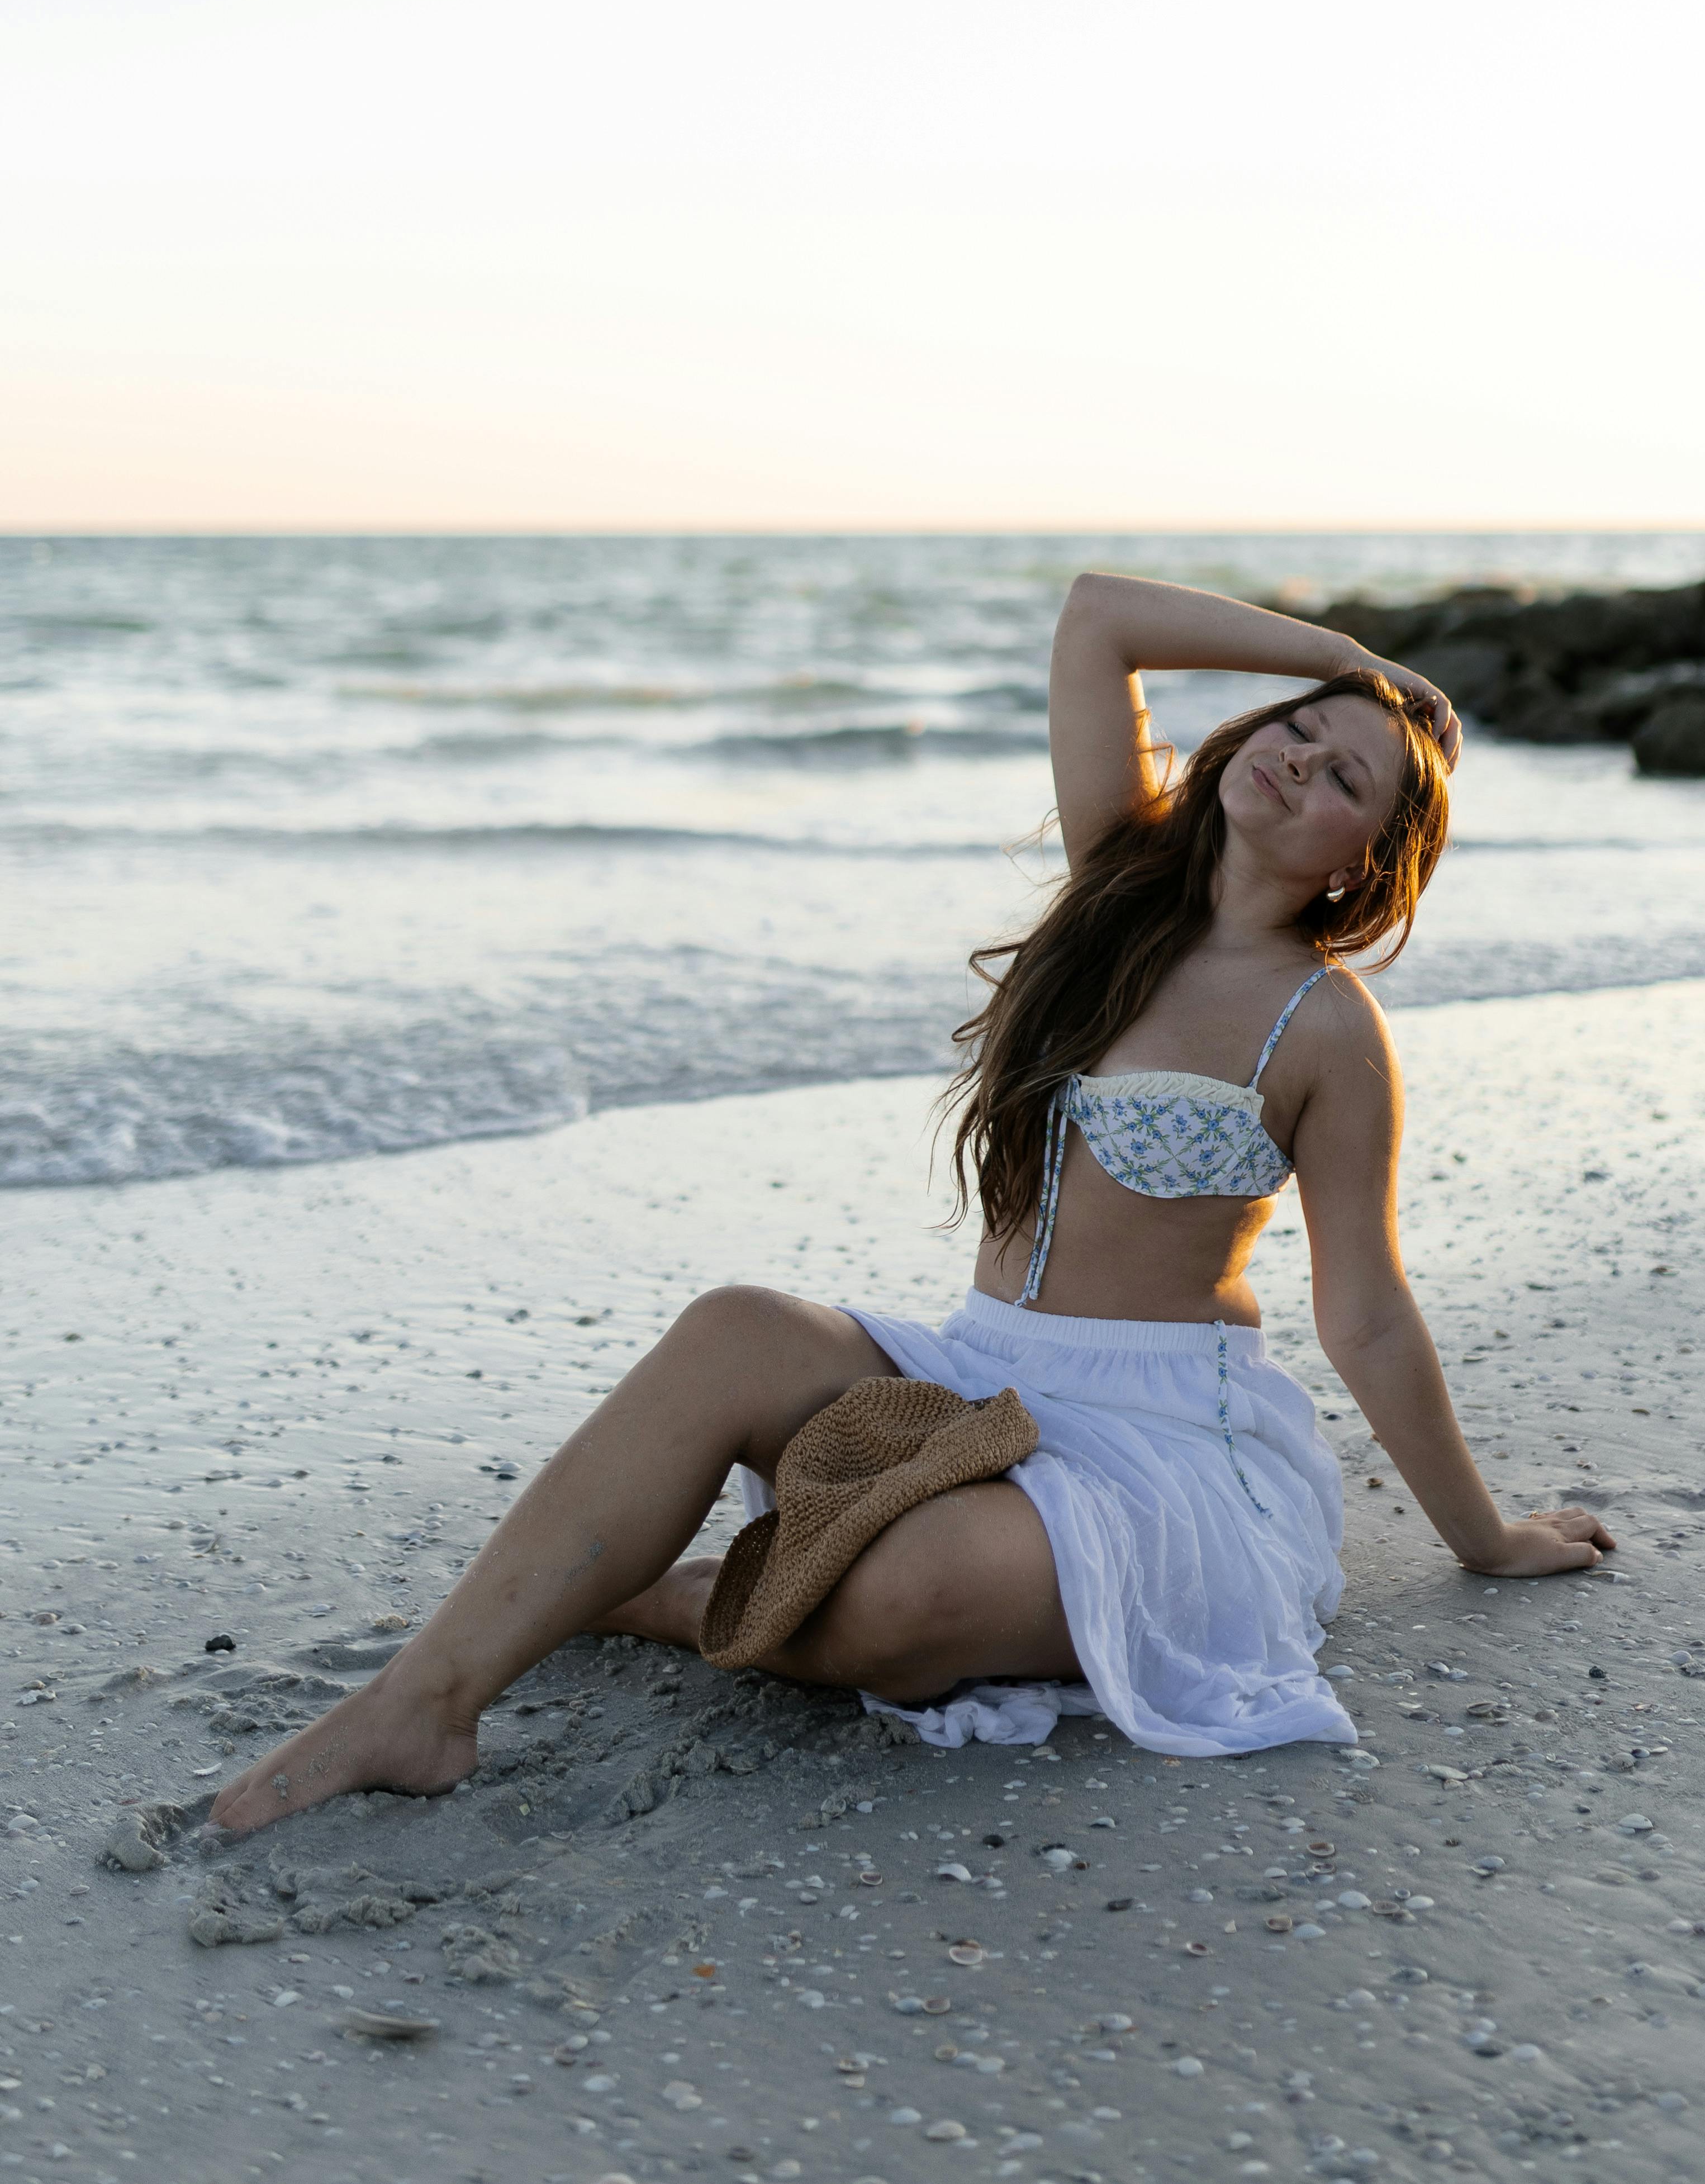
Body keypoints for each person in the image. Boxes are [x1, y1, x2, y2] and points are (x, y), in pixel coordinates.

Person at [211, 572, 1611, 1830]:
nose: (1303, 759)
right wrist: (1354, 658)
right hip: (978, 1364)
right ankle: (425, 1705)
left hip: (1163, 1447)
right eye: (1299, 729)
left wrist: (1486, 1539)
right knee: (737, 1325)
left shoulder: (1326, 1029)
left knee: (907, 1594)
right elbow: (1098, 617)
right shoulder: (1115, 886)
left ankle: (662, 1591)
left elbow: (1365, 1314)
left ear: (1366, 861)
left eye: (1347, 777)